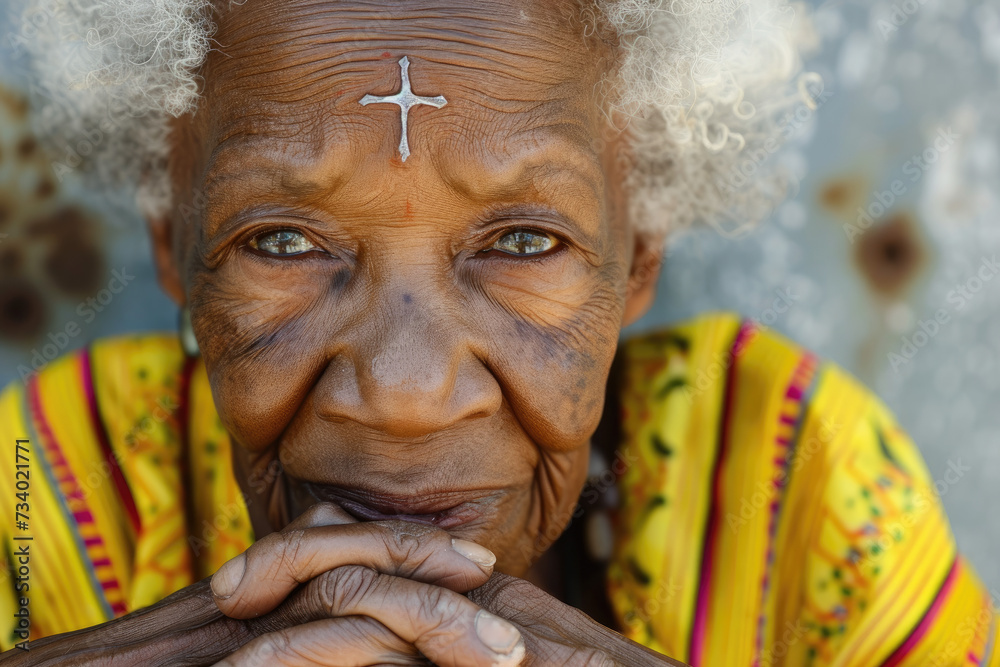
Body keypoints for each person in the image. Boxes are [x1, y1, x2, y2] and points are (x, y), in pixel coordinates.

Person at [0, 0, 995, 664]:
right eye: (284, 239)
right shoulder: (43, 480)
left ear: (638, 251)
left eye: (523, 239)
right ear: (175, 243)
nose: (405, 390)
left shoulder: (803, 483)